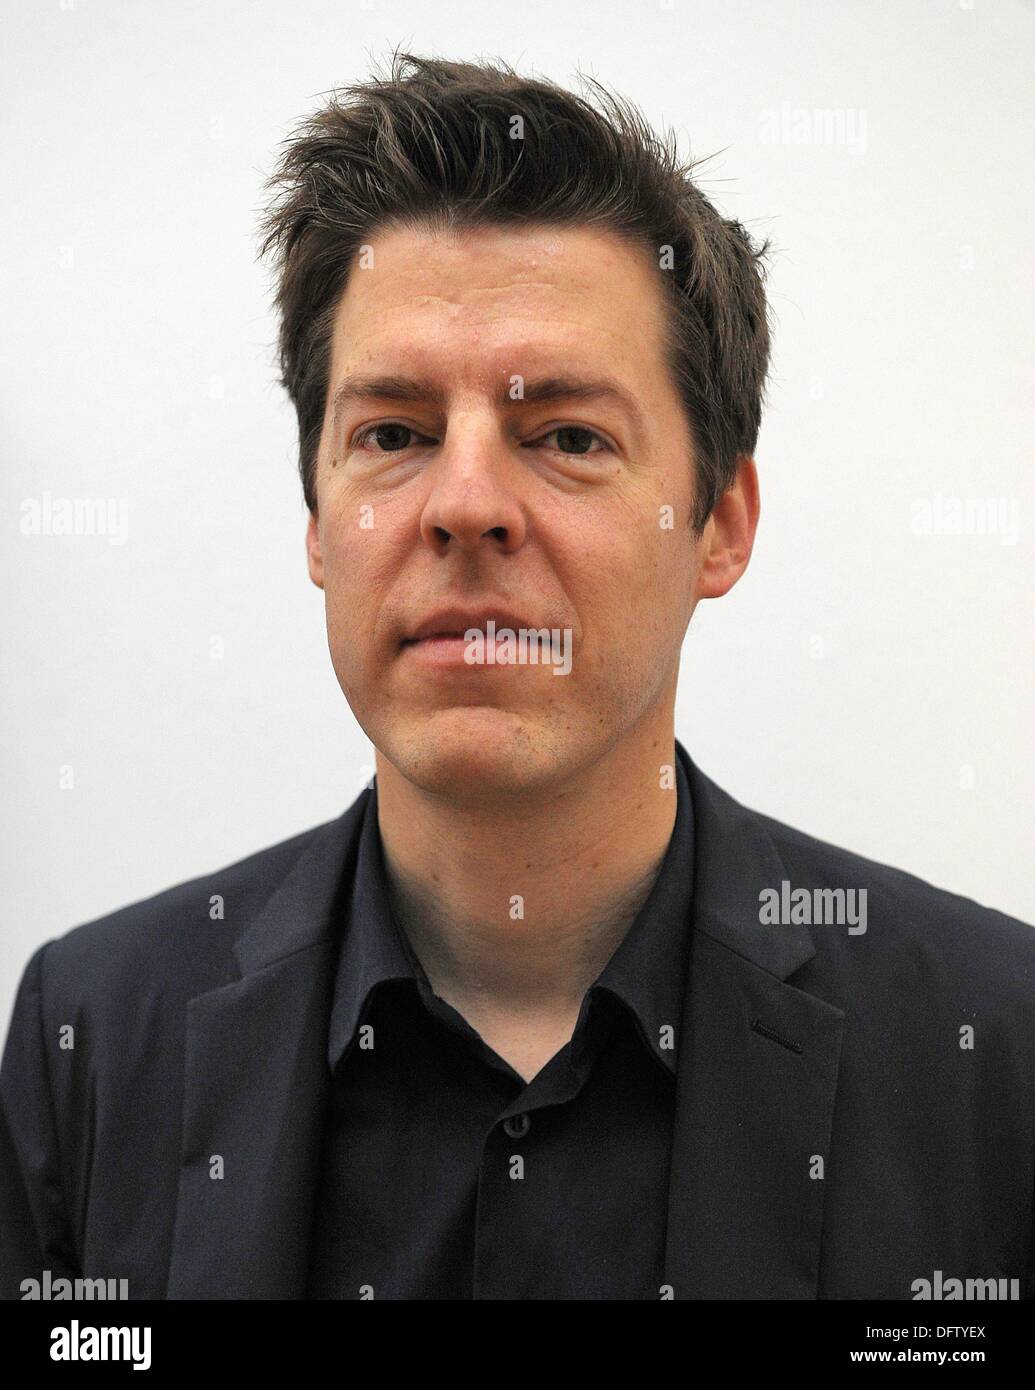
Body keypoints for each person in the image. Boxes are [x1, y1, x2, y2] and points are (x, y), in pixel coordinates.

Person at [2, 51, 1032, 1302]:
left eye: (567, 437)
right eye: (394, 432)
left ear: (720, 523)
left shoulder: (992, 1046)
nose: (468, 504)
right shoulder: (95, 1036)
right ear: (318, 525)